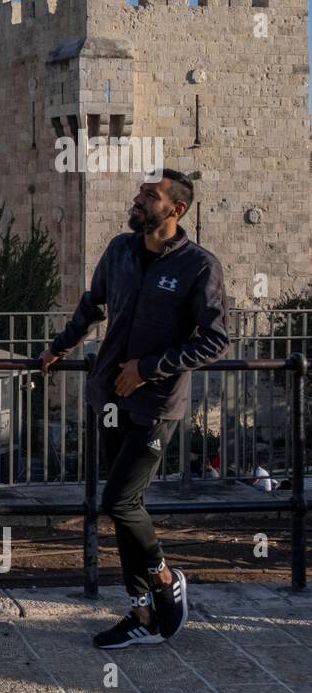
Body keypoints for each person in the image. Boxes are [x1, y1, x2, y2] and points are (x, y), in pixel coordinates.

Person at [39, 169, 229, 649]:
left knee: (118, 501)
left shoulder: (199, 266)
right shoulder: (120, 251)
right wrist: (59, 346)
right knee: (127, 508)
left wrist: (149, 368)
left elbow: (214, 340)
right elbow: (92, 304)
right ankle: (142, 613)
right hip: (108, 397)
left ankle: (165, 578)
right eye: (141, 194)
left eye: (151, 196)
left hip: (156, 404)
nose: (139, 201)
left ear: (176, 209)